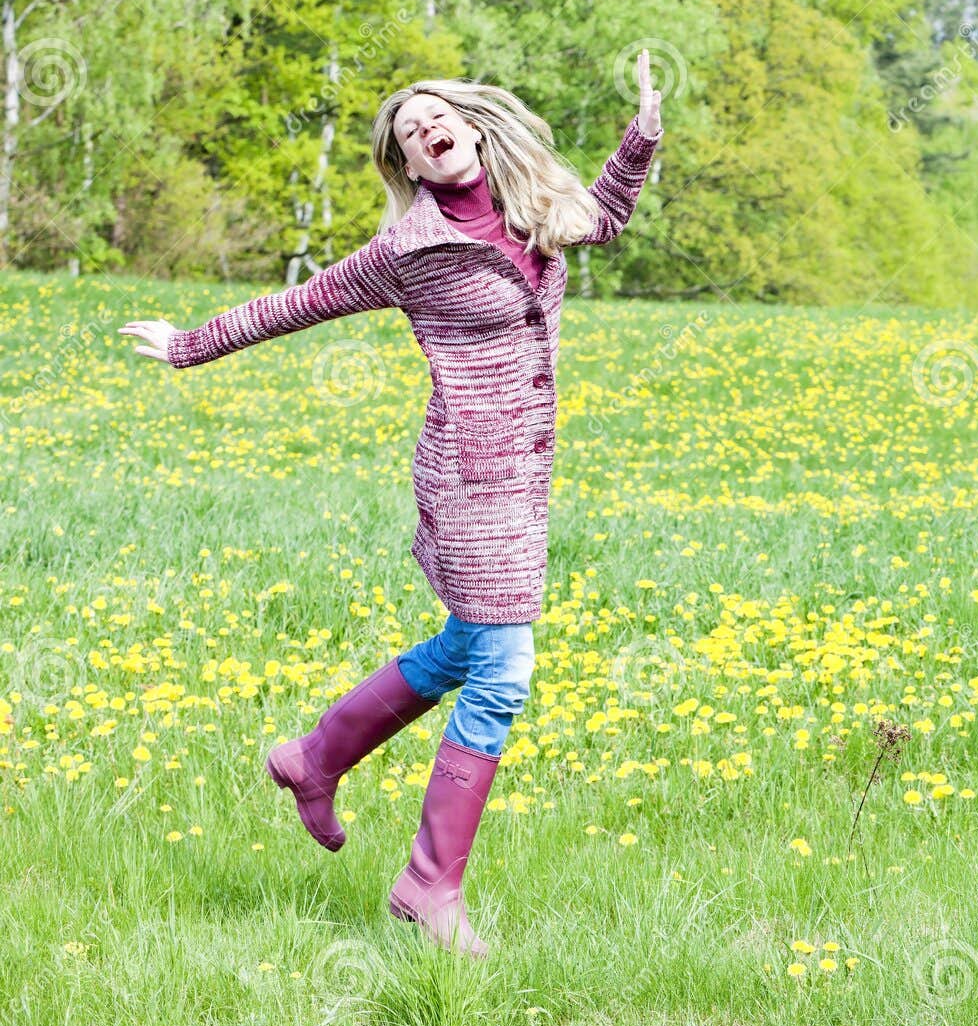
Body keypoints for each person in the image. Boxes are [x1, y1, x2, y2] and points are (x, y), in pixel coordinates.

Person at [118, 53, 665, 958]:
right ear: (408, 166)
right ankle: (428, 883)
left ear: (474, 128)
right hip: (465, 480)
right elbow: (299, 302)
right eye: (409, 131)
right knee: (504, 667)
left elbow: (603, 217)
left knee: (466, 646)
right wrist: (187, 345)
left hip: (523, 480)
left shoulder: (531, 207)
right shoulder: (407, 251)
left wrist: (641, 135)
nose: (427, 130)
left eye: (438, 115)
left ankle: (313, 757)